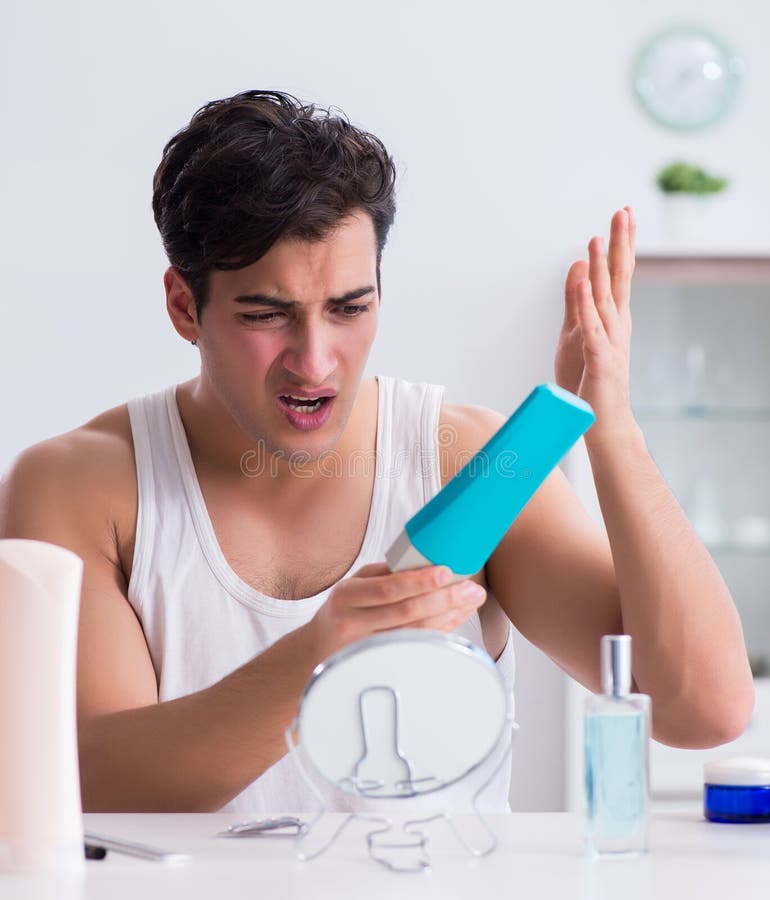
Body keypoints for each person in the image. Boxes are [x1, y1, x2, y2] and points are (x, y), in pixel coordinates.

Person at [0, 90, 753, 814]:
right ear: (183, 306)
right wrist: (323, 656)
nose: (315, 361)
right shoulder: (80, 485)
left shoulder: (464, 459)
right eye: (268, 314)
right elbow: (89, 781)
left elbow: (703, 711)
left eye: (349, 308)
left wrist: (612, 430)